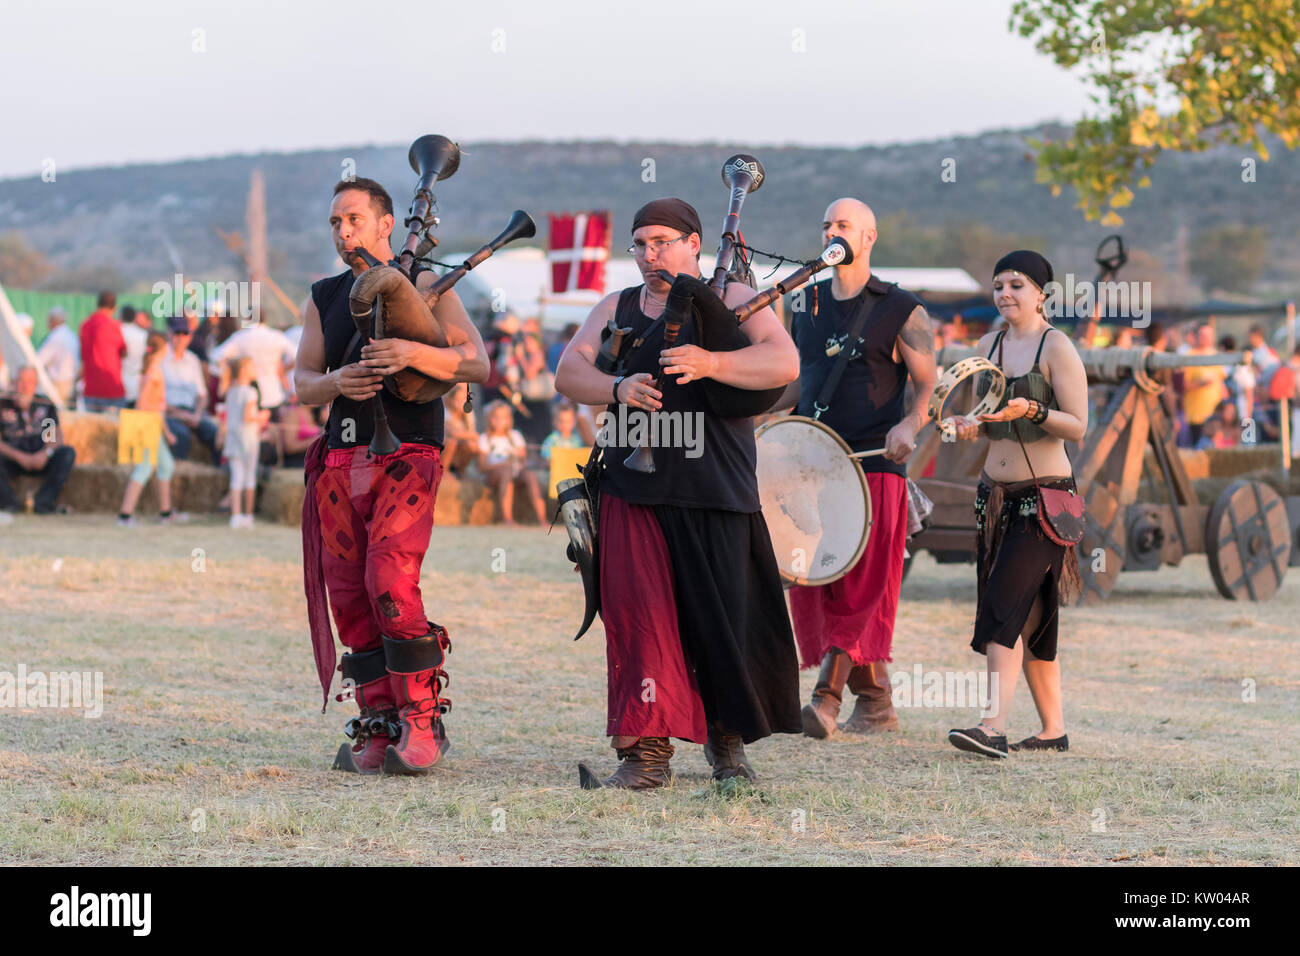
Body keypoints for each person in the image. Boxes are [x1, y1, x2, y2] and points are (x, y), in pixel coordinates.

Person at [554, 197, 802, 789]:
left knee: (721, 622)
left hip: (716, 483)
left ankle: (728, 746)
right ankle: (647, 755)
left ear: (695, 244)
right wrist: (616, 387)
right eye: (640, 243)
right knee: (641, 618)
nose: (649, 254)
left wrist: (711, 360)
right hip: (632, 487)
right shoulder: (617, 306)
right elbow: (568, 371)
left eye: (663, 241)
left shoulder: (736, 298)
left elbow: (783, 361)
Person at [295, 175, 488, 775]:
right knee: (350, 595)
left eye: (353, 218)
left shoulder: (426, 283)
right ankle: (379, 722)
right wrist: (336, 383)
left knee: (389, 578)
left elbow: (475, 362)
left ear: (386, 224)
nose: (342, 230)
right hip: (340, 457)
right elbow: (302, 384)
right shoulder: (324, 294)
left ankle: (422, 719)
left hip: (409, 451)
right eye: (334, 222)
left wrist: (411, 355)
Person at [786, 198, 938, 739]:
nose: (832, 231)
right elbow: (797, 381)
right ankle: (875, 704)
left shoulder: (902, 309)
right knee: (815, 578)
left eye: (843, 224)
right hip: (813, 464)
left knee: (859, 584)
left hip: (874, 462)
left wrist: (911, 426)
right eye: (826, 223)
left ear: (869, 237)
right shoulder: (802, 303)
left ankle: (825, 698)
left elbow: (927, 384)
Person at [944, 251, 1089, 758]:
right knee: (1033, 617)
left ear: (1042, 293)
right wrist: (966, 425)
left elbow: (1078, 425)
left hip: (1046, 501)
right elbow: (979, 418)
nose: (1005, 293)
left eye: (1017, 285)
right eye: (999, 285)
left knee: (1002, 608)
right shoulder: (988, 345)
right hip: (994, 499)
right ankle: (1053, 731)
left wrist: (1033, 408)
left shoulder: (1057, 347)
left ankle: (992, 727)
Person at [117, 332, 188, 526]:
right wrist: (160, 425)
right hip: (147, 425)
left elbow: (157, 407)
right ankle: (125, 515)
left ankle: (165, 512)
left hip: (152, 425)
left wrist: (165, 430)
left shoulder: (150, 369)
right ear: (162, 349)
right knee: (145, 468)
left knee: (166, 466)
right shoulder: (153, 372)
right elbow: (144, 403)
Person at [0, 366, 77, 514]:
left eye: (29, 382)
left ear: (35, 385)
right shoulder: (3, 405)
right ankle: (10, 504)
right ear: (13, 382)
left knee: (67, 453)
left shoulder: (44, 405)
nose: (24, 387)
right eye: (21, 381)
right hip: (14, 459)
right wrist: (20, 457)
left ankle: (43, 503)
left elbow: (54, 437)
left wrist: (45, 454)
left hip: (41, 457)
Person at [209, 309, 297, 422]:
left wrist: (231, 373)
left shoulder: (240, 337)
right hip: (274, 394)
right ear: (264, 318)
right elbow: (297, 355)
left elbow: (216, 356)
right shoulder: (276, 336)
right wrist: (285, 369)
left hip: (247, 394)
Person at [161, 316, 221, 462]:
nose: (181, 338)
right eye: (177, 334)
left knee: (216, 434)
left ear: (189, 337)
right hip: (169, 414)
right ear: (169, 334)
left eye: (184, 334)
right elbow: (158, 399)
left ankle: (219, 476)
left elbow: (202, 395)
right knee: (181, 436)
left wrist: (198, 414)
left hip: (192, 411)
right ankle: (179, 478)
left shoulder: (193, 360)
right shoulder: (161, 360)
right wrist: (184, 415)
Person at [477, 399, 546, 525]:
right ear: (489, 419)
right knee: (506, 472)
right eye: (496, 417)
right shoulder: (485, 438)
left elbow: (522, 460)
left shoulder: (516, 436)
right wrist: (503, 464)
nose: (499, 421)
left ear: (509, 419)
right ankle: (507, 518)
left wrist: (517, 457)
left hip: (515, 471)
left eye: (503, 418)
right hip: (494, 475)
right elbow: (482, 467)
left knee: (530, 476)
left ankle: (542, 519)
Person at [222, 356, 270, 528]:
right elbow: (248, 416)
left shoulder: (231, 391)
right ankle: (248, 515)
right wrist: (262, 416)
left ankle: (236, 516)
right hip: (248, 439)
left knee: (236, 477)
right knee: (249, 477)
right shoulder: (250, 392)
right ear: (244, 371)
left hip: (233, 438)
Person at [79, 291, 127, 411]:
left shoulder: (85, 325)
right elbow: (123, 351)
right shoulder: (112, 325)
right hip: (111, 388)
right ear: (114, 307)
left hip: (90, 388)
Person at [1183, 324, 1228, 446]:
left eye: (1209, 335)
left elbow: (1221, 382)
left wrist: (1226, 406)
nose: (1207, 338)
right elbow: (1183, 386)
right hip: (1196, 415)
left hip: (1215, 414)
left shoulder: (1215, 355)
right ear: (1197, 336)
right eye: (1203, 335)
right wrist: (1200, 383)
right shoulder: (1189, 356)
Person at [36, 306, 79, 404]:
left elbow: (40, 360)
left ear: (53, 320)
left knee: (54, 416)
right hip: (71, 383)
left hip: (57, 384)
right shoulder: (72, 335)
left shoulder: (54, 337)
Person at [441, 382, 478, 475]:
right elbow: (452, 433)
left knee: (472, 446)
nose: (461, 403)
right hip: (445, 445)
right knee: (451, 442)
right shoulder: (446, 412)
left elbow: (474, 435)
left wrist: (465, 435)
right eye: (458, 400)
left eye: (463, 400)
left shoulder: (468, 413)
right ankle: (444, 471)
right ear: (451, 400)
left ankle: (461, 471)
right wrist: (467, 435)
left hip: (460, 446)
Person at [120, 305, 150, 404]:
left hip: (120, 382)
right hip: (137, 383)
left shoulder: (118, 331)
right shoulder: (143, 335)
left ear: (121, 316)